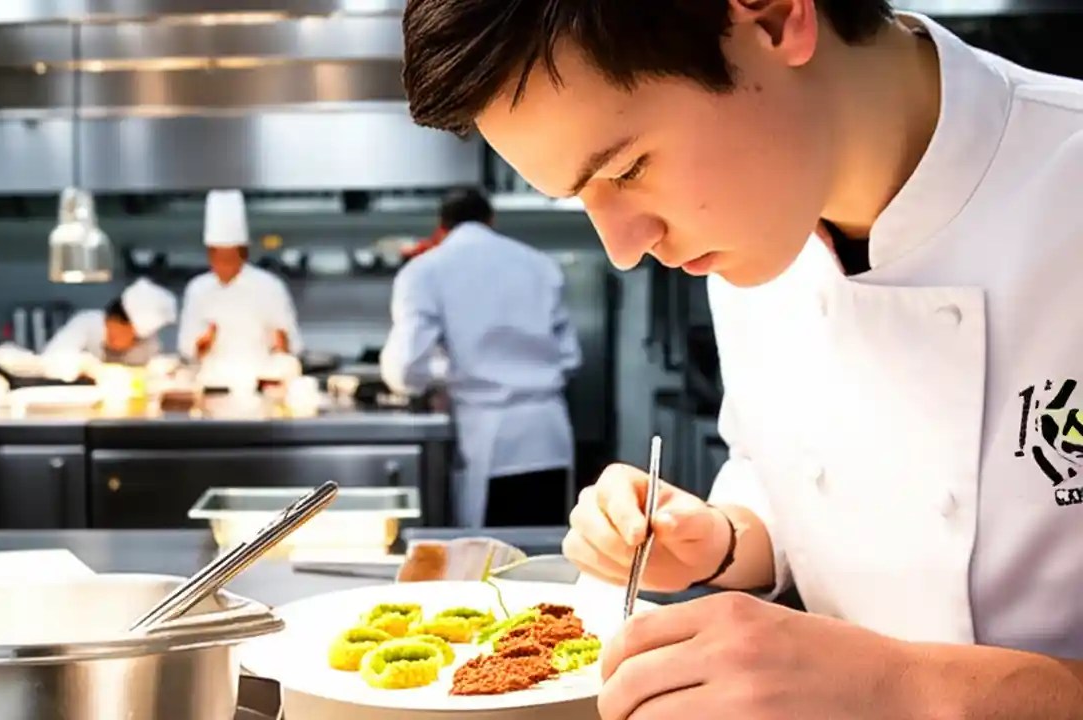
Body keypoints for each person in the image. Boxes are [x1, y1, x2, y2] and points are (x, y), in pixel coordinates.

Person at [403, 0, 1083, 717]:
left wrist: (900, 686)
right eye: (581, 199)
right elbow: (793, 479)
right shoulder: (759, 220)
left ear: (773, 18)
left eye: (629, 169)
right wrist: (722, 541)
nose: (625, 249)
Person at [380, 188, 582, 528]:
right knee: (547, 549)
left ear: (441, 226)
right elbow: (570, 357)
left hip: (487, 434)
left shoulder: (425, 270)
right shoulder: (540, 265)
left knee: (490, 555)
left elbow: (406, 368)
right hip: (548, 430)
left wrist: (446, 375)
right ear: (491, 219)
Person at [178, 189, 302, 382]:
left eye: (229, 258)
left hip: (259, 383)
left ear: (243, 253)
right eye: (217, 257)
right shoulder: (197, 289)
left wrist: (282, 345)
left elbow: (292, 344)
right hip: (212, 385)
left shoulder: (269, 287)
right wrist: (201, 345)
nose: (223, 265)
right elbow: (186, 347)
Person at [42, 277, 178, 367]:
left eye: (134, 339)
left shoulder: (149, 344)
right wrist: (85, 366)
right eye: (117, 332)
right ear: (110, 319)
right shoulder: (86, 323)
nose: (124, 342)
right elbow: (49, 361)